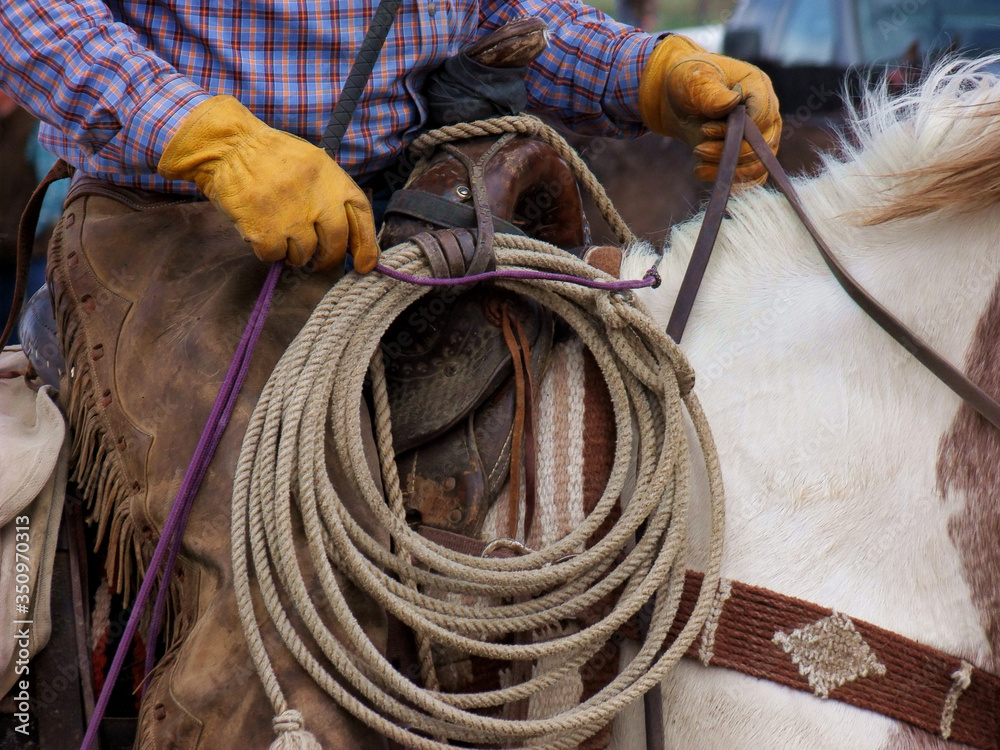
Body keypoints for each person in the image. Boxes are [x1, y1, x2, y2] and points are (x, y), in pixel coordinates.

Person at [0, 0, 780, 277]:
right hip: (175, 230)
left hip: (415, 213)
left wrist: (648, 74)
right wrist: (206, 137)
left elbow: (494, 15)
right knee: (247, 542)